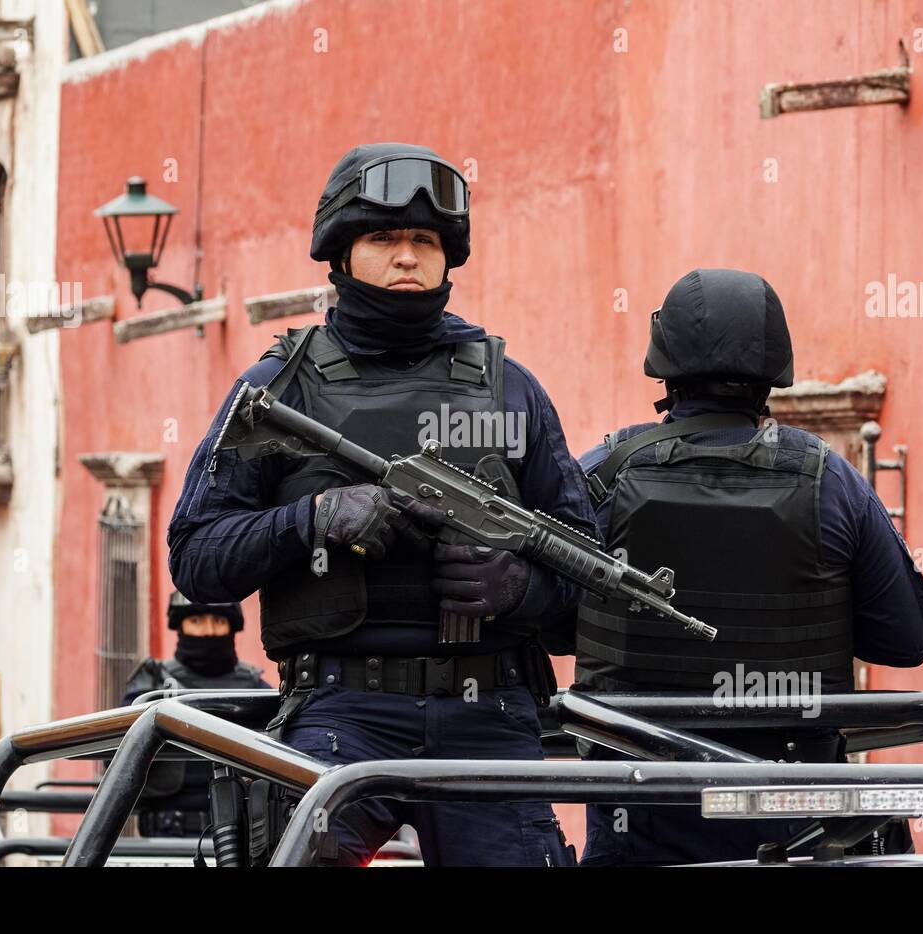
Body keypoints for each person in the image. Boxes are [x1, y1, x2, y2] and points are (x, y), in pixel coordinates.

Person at [167, 143, 597, 866]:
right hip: (341, 714)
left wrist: (519, 590)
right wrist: (315, 519)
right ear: (340, 255)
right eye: (384, 239)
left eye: (424, 242)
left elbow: (591, 581)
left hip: (488, 716)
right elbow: (197, 559)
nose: (406, 258)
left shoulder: (510, 389)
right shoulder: (281, 389)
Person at [573, 268, 923, 865]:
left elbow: (542, 616)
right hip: (793, 824)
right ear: (774, 369)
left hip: (638, 819)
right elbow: (906, 639)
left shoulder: (604, 472)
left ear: (663, 362)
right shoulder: (832, 479)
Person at [121, 590, 268, 837]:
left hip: (243, 837)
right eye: (197, 621)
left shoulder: (257, 689)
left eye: (219, 621)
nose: (209, 631)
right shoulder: (152, 685)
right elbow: (118, 759)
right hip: (165, 840)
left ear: (232, 626)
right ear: (181, 625)